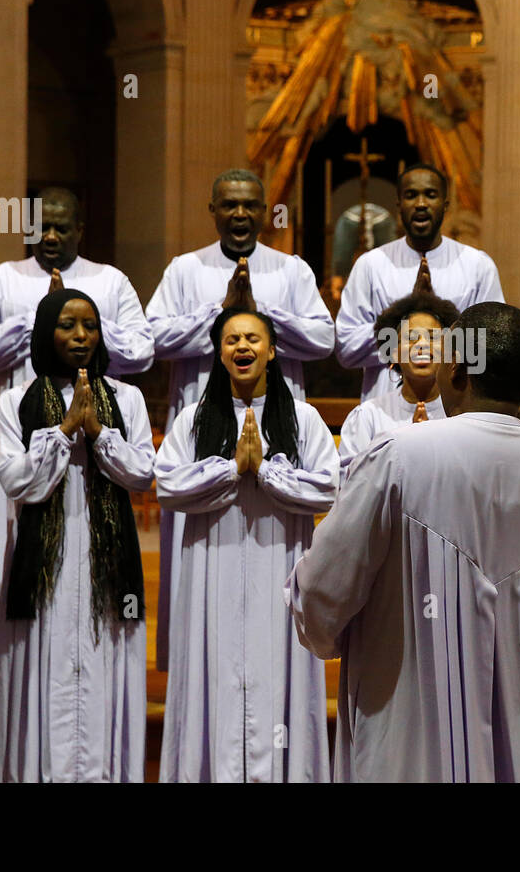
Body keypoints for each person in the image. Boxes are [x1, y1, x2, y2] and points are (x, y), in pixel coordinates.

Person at [289, 302, 520, 782]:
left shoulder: (401, 453)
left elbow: (325, 585)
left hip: (410, 703)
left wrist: (321, 628)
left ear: (458, 369)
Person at [0, 186, 154, 671]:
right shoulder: (2, 280)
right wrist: (38, 322)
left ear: (80, 230)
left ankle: (88, 644)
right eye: (39, 226)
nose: (48, 235)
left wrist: (77, 322)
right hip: (18, 431)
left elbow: (142, 348)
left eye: (60, 227)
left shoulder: (109, 281)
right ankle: (0, 646)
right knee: (9, 531)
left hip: (92, 433)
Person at [147, 169, 335, 670]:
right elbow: (154, 339)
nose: (240, 215)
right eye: (228, 205)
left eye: (250, 205)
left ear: (265, 210)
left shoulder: (290, 270)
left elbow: (323, 338)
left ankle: (282, 649)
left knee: (279, 534)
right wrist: (221, 311)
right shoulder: (185, 269)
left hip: (276, 417)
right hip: (204, 414)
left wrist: (259, 313)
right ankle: (190, 652)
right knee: (203, 541)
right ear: (212, 210)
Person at [155, 308, 337, 782]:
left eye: (253, 339)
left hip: (278, 564)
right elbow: (167, 486)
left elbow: (327, 487)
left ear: (272, 351)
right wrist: (231, 470)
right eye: (232, 339)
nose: (243, 347)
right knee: (211, 676)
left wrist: (268, 472)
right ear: (219, 352)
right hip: (211, 567)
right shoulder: (195, 419)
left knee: (279, 674)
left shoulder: (302, 418)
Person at [0, 289, 155, 782]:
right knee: (47, 667)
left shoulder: (128, 398)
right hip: (45, 567)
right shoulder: (15, 401)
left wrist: (99, 433)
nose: (81, 336)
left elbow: (143, 473)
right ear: (44, 332)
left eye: (90, 325)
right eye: (67, 325)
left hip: (108, 567)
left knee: (104, 664)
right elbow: (18, 482)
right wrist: (62, 432)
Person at [336, 163, 504, 402]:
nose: (421, 203)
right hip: (386, 406)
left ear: (445, 205)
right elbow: (346, 348)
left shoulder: (477, 265)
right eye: (411, 195)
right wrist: (403, 319)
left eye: (431, 195)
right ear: (399, 206)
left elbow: (490, 346)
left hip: (455, 408)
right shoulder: (371, 265)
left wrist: (438, 322)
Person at [338, 291, 460, 475]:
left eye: (433, 337)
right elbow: (350, 481)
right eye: (411, 337)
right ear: (393, 352)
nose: (422, 345)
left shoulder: (462, 414)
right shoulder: (368, 416)